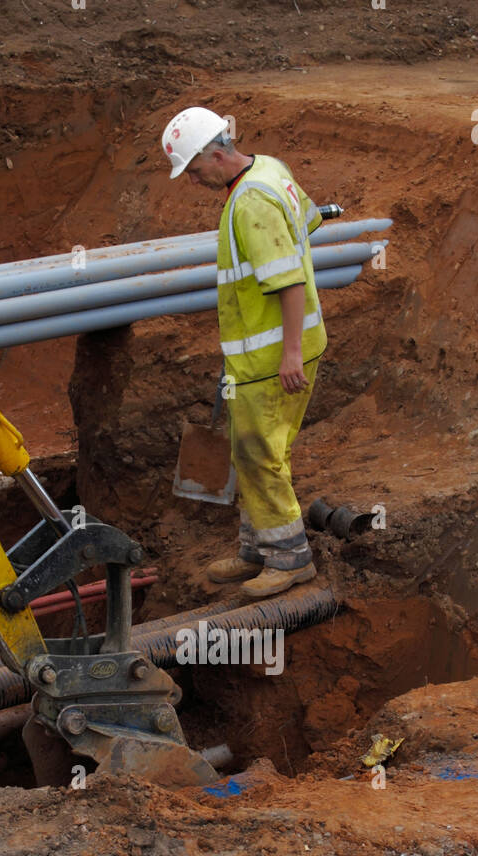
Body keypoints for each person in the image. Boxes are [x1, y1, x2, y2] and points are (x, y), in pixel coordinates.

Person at [162, 106, 325, 598]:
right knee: (248, 450)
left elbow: (288, 280)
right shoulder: (270, 168)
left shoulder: (250, 203)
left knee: (260, 454)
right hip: (256, 359)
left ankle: (290, 558)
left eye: (194, 171)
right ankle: (257, 548)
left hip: (273, 360)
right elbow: (310, 221)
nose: (194, 181)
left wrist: (290, 353)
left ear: (216, 154)